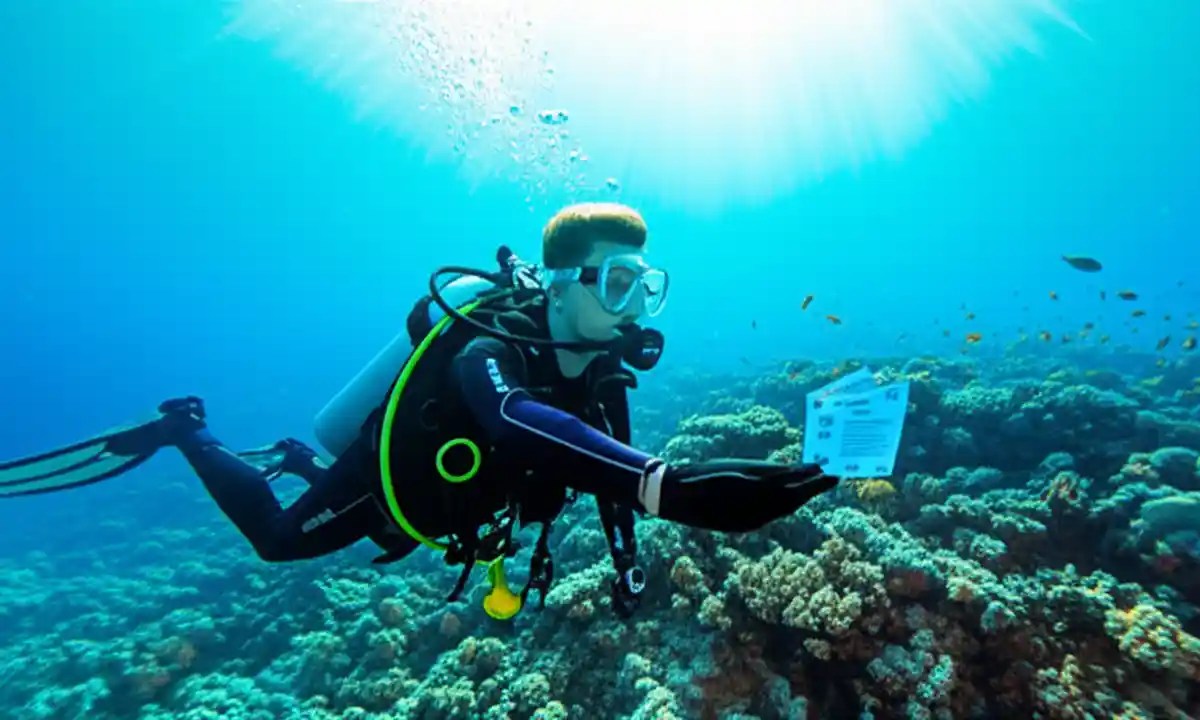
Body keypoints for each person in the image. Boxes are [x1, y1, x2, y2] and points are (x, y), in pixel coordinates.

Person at [0, 203, 836, 619]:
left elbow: (611, 469)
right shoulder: (488, 344)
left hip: (455, 506)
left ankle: (297, 458)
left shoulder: (602, 373)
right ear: (561, 283)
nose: (637, 305)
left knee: (388, 531)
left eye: (646, 285)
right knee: (279, 541)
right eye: (619, 282)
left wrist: (628, 560)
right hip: (396, 478)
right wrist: (669, 487)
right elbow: (509, 418)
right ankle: (188, 429)